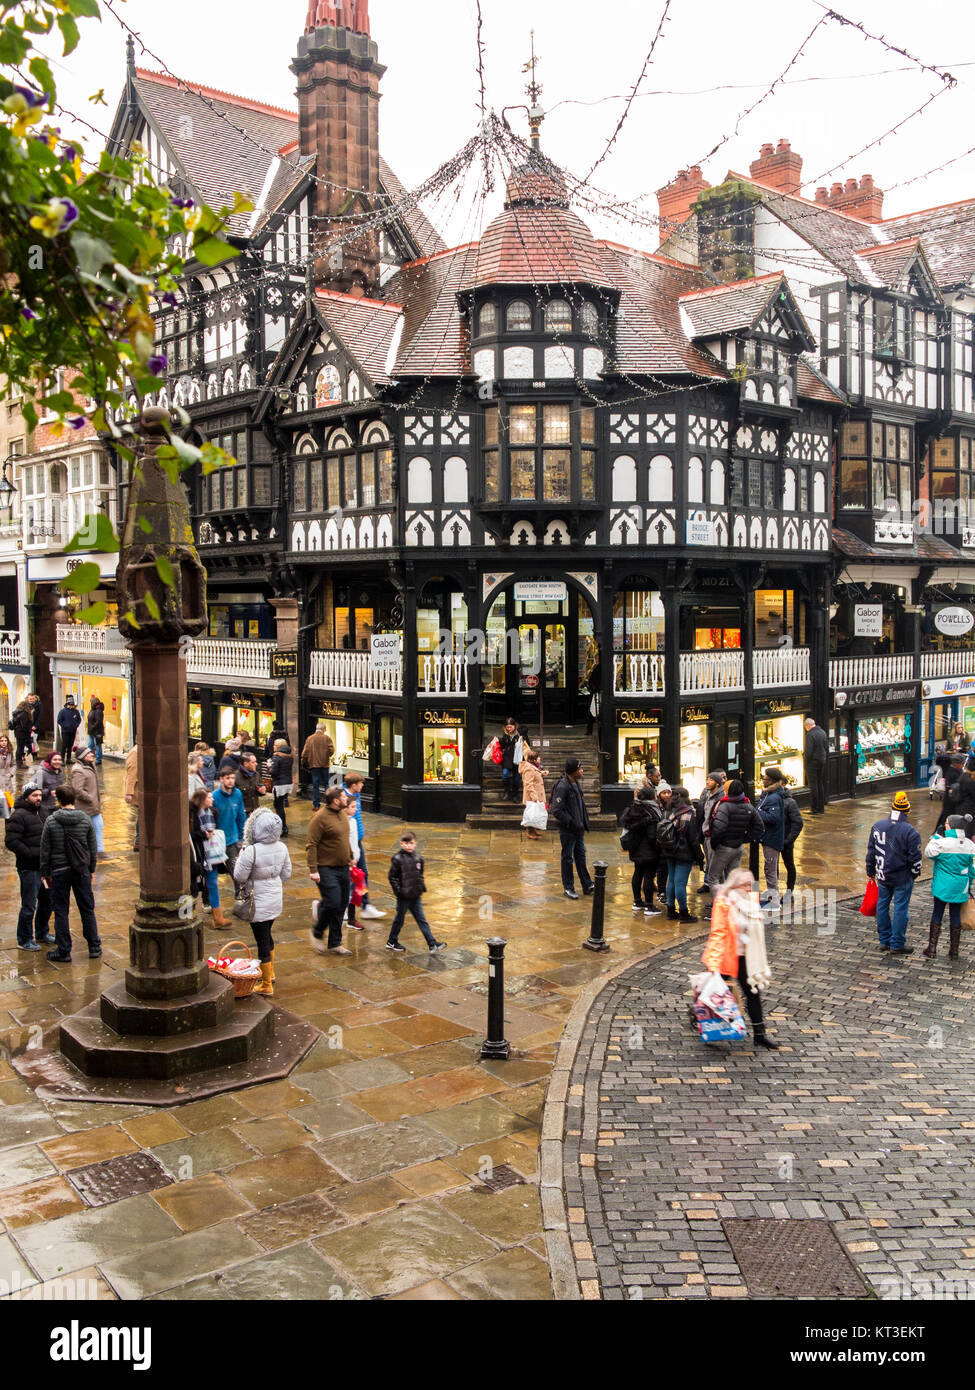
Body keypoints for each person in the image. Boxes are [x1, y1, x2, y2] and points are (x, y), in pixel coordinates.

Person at [701, 867, 778, 1049]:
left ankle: (760, 1034)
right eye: (744, 884)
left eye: (751, 884)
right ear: (734, 885)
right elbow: (718, 933)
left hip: (747, 957)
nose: (749, 888)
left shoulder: (751, 900)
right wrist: (714, 961)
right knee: (716, 994)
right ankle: (700, 1019)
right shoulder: (723, 902)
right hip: (726, 956)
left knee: (753, 993)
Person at [234, 808, 292, 996]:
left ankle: (266, 984)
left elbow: (239, 876)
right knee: (267, 934)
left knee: (262, 941)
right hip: (275, 898)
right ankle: (271, 972)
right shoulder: (282, 847)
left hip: (257, 901)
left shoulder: (251, 850)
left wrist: (242, 856)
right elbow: (286, 874)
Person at [40, 784, 100, 962]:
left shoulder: (51, 821)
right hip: (81, 869)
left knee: (61, 911)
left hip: (59, 871)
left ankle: (64, 950)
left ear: (58, 800)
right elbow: (92, 848)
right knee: (87, 909)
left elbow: (45, 850)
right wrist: (91, 870)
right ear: (74, 799)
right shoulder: (85, 819)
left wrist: (45, 872)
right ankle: (94, 946)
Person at [866, 789, 922, 955]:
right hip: (901, 877)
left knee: (882, 905)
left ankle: (884, 940)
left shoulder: (878, 826)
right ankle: (897, 943)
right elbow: (915, 859)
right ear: (907, 810)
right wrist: (913, 874)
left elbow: (871, 851)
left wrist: (870, 870)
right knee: (900, 909)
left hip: (883, 874)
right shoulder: (911, 832)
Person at [5, 784, 53, 949]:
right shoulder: (19, 815)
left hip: (46, 868)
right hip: (29, 868)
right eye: (34, 795)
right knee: (29, 905)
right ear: (26, 797)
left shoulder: (44, 811)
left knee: (48, 901)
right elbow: (11, 841)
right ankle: (24, 939)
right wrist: (30, 853)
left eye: (39, 795)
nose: (38, 798)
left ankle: (42, 933)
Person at [307, 784, 353, 955]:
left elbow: (343, 838)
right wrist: (313, 869)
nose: (346, 799)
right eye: (343, 797)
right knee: (333, 901)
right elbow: (311, 844)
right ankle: (317, 932)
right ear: (335, 801)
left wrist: (350, 856)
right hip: (325, 868)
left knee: (341, 905)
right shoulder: (319, 818)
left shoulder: (342, 813)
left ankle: (335, 942)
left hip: (343, 866)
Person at [923, 814, 975, 961]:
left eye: (946, 823)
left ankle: (932, 948)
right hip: (960, 888)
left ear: (951, 826)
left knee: (937, 913)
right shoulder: (970, 846)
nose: (945, 825)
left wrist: (936, 837)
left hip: (942, 886)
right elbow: (972, 871)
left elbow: (929, 853)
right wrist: (968, 885)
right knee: (955, 915)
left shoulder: (942, 843)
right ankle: (954, 951)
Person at [386, 830, 445, 953]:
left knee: (421, 919)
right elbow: (392, 877)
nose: (408, 846)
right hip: (404, 896)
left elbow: (420, 874)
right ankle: (391, 941)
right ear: (401, 844)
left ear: (415, 844)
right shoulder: (397, 859)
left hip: (415, 895)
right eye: (406, 843)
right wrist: (399, 891)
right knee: (399, 919)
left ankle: (431, 943)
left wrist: (420, 887)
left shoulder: (418, 858)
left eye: (411, 843)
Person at [707, 779, 764, 902]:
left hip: (724, 847)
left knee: (713, 878)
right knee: (733, 879)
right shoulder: (748, 806)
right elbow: (759, 827)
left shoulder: (725, 806)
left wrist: (714, 844)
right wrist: (744, 839)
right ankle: (733, 905)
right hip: (737, 847)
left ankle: (720, 907)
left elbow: (719, 829)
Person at [550, 757, 594, 900]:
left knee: (580, 856)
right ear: (573, 771)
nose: (582, 771)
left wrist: (582, 822)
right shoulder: (562, 786)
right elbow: (556, 810)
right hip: (568, 830)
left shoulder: (575, 784)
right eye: (580, 768)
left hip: (578, 828)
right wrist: (571, 822)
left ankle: (586, 884)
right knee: (567, 858)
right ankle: (568, 887)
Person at [344, 771, 384, 919]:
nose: (362, 786)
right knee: (349, 878)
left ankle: (365, 905)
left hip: (357, 842)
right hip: (348, 844)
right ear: (354, 785)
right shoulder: (343, 798)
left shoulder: (356, 795)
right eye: (361, 783)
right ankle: (335, 907)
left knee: (362, 874)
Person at [660, 785, 703, 923]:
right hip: (684, 853)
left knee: (671, 881)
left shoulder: (668, 811)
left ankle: (671, 911)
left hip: (669, 850)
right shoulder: (689, 813)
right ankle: (684, 913)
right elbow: (693, 839)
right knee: (680, 884)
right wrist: (700, 856)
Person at [620, 785, 662, 916]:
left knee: (638, 872)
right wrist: (657, 847)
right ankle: (649, 906)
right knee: (648, 876)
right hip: (648, 849)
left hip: (635, 847)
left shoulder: (633, 809)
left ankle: (637, 902)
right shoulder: (651, 811)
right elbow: (651, 835)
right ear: (652, 797)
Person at [190, 786, 225, 927]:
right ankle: (189, 914)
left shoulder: (214, 812)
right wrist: (204, 835)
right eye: (209, 797)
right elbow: (189, 834)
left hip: (211, 854)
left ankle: (218, 918)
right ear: (202, 800)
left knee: (213, 884)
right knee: (193, 886)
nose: (212, 799)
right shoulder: (192, 814)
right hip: (197, 854)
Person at [756, 767, 787, 911]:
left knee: (770, 870)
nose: (763, 780)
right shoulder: (768, 795)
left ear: (771, 781)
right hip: (767, 837)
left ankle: (774, 903)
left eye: (765, 778)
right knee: (769, 868)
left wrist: (758, 813)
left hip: (772, 839)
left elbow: (773, 818)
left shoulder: (774, 797)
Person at [212, 767, 246, 877]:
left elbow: (241, 816)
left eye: (232, 778)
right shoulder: (214, 797)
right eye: (227, 778)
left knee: (236, 872)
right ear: (221, 779)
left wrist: (243, 837)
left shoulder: (238, 794)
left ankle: (240, 894)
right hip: (218, 839)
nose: (231, 780)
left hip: (233, 839)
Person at [697, 769, 727, 892]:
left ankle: (719, 898)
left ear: (717, 784)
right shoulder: (707, 795)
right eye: (707, 779)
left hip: (714, 837)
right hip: (706, 835)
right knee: (711, 867)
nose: (708, 782)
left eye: (711, 780)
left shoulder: (721, 798)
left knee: (716, 870)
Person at [70, 747, 104, 853]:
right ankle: (93, 851)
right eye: (89, 753)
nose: (92, 754)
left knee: (99, 827)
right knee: (88, 830)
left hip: (94, 806)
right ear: (83, 756)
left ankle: (99, 850)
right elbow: (77, 789)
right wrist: (90, 798)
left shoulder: (90, 765)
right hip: (86, 807)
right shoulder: (78, 770)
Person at [301, 723, 335, 810]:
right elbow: (331, 750)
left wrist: (303, 762)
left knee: (315, 785)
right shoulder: (327, 738)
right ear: (323, 729)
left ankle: (316, 805)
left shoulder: (310, 738)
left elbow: (305, 753)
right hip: (325, 765)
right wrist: (328, 756)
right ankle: (328, 803)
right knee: (327, 784)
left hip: (314, 765)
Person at [498, 717, 529, 801]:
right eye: (507, 727)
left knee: (516, 778)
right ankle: (507, 791)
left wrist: (524, 738)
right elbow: (502, 746)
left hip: (518, 758)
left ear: (515, 726)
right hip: (507, 758)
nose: (509, 729)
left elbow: (527, 745)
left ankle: (515, 795)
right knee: (505, 774)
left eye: (511, 727)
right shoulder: (505, 735)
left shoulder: (520, 734)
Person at [781, 782, 804, 894]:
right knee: (771, 868)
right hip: (773, 840)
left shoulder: (790, 802)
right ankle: (772, 893)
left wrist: (788, 840)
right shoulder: (768, 798)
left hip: (785, 840)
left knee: (789, 865)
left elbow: (798, 823)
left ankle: (789, 892)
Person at [520, 747, 547, 841]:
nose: (540, 759)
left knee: (535, 813)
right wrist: (533, 796)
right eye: (538, 757)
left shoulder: (534, 767)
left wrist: (542, 773)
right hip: (532, 794)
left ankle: (534, 830)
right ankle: (529, 832)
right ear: (534, 759)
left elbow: (535, 773)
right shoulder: (529, 769)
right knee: (531, 814)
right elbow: (528, 783)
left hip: (537, 793)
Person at [268, 739, 294, 837]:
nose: (273, 746)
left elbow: (273, 772)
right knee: (281, 804)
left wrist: (269, 766)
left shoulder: (277, 757)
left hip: (279, 784)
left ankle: (283, 827)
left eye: (274, 745)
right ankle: (283, 826)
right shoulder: (289, 756)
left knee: (278, 806)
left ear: (279, 746)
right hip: (288, 783)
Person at [935, 753, 965, 834]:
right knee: (946, 818)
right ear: (956, 764)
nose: (963, 765)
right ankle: (940, 833)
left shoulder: (958, 770)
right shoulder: (951, 771)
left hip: (952, 800)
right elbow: (939, 758)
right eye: (962, 763)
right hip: (951, 800)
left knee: (946, 817)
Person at [804, 718, 828, 814]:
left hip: (812, 762)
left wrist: (805, 762)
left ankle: (814, 808)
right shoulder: (822, 732)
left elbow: (808, 752)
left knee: (813, 785)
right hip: (822, 760)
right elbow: (826, 746)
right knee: (819, 783)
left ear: (807, 725)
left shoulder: (810, 734)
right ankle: (821, 807)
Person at [234, 751, 264, 817]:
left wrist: (261, 792)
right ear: (245, 764)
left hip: (255, 812)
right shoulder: (235, 777)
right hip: (243, 814)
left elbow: (259, 790)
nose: (256, 764)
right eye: (253, 762)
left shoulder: (256, 775)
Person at [56, 695, 83, 764]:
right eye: (70, 705)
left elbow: (79, 719)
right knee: (64, 745)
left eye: (72, 705)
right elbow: (59, 720)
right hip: (65, 731)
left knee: (70, 745)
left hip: (72, 731)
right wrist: (65, 726)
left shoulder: (76, 711)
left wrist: (76, 725)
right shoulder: (62, 712)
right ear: (67, 704)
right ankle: (62, 759)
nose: (71, 706)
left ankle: (68, 759)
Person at [124, 743, 139, 851]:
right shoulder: (135, 753)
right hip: (138, 789)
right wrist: (129, 792)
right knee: (142, 814)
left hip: (141, 788)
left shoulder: (139, 751)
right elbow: (132, 772)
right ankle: (138, 840)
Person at [11, 701, 34, 766]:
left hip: (18, 732)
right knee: (20, 747)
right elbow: (24, 726)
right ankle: (19, 762)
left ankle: (19, 761)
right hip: (22, 733)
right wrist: (27, 734)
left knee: (20, 747)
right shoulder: (24, 714)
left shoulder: (18, 713)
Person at [86, 694, 105, 765]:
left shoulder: (98, 711)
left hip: (97, 731)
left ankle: (98, 759)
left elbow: (99, 721)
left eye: (91, 702)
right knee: (90, 745)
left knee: (97, 745)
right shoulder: (94, 710)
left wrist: (92, 727)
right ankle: (89, 757)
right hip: (92, 731)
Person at [585, 660, 601, 737]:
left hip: (596, 691)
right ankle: (592, 730)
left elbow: (591, 681)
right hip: (598, 692)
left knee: (592, 712)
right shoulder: (599, 668)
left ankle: (590, 730)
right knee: (593, 711)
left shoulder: (597, 668)